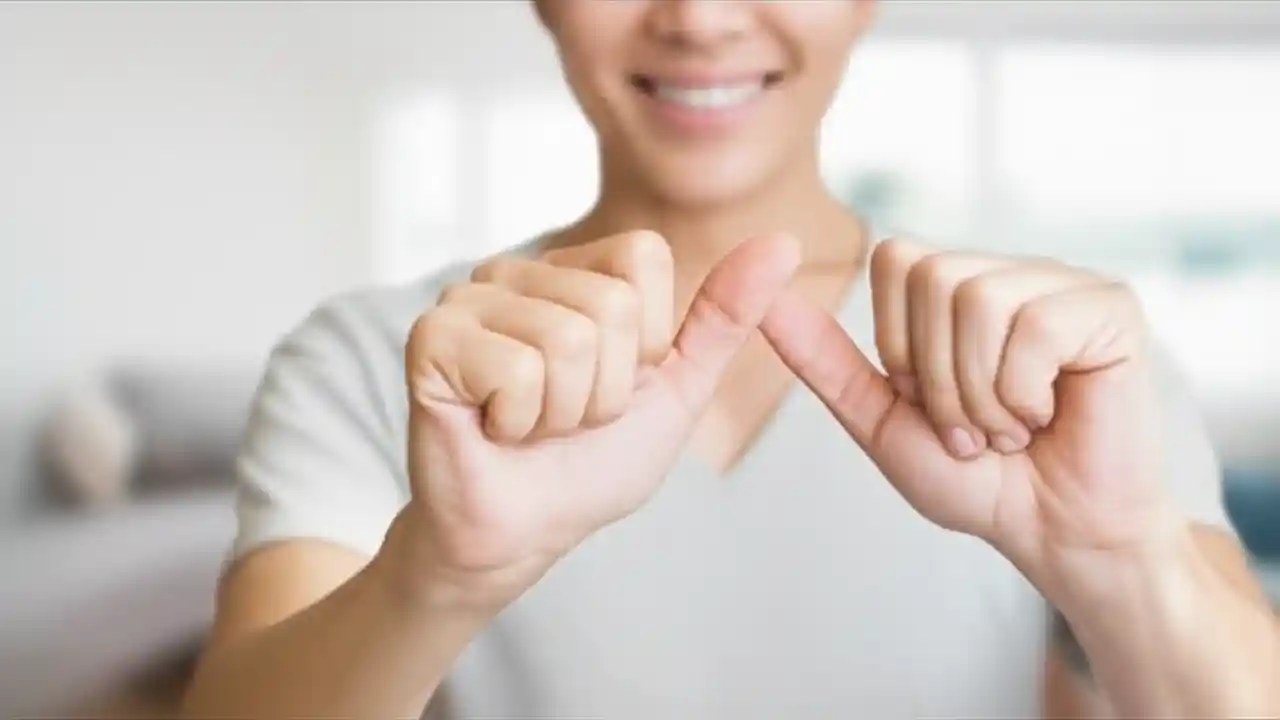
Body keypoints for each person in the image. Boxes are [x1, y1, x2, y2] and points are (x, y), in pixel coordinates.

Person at [181, 2, 1279, 718]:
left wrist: (1117, 563)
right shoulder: (376, 360)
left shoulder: (1068, 366)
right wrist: (435, 576)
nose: (699, 21)